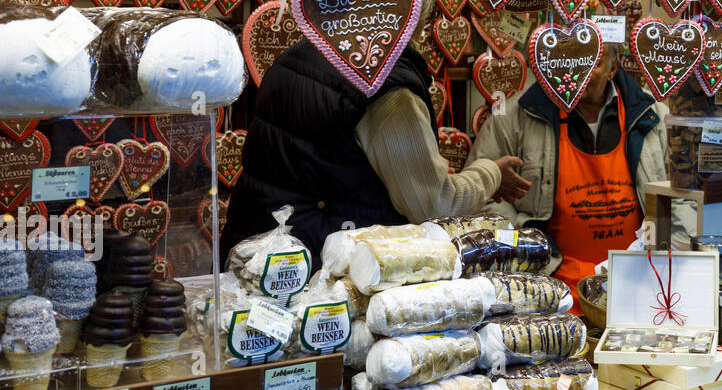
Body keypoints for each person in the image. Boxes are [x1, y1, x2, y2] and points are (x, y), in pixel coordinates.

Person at [222, 34, 528, 267]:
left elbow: (317, 165)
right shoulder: (387, 90)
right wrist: (491, 174)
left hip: (264, 260)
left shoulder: (296, 56)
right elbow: (436, 205)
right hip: (329, 272)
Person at [469, 43, 674, 293]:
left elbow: (678, 195)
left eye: (592, 63)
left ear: (613, 68)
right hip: (548, 287)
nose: (577, 72)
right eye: (569, 61)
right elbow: (479, 198)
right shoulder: (513, 118)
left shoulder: (651, 114)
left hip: (640, 283)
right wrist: (531, 250)